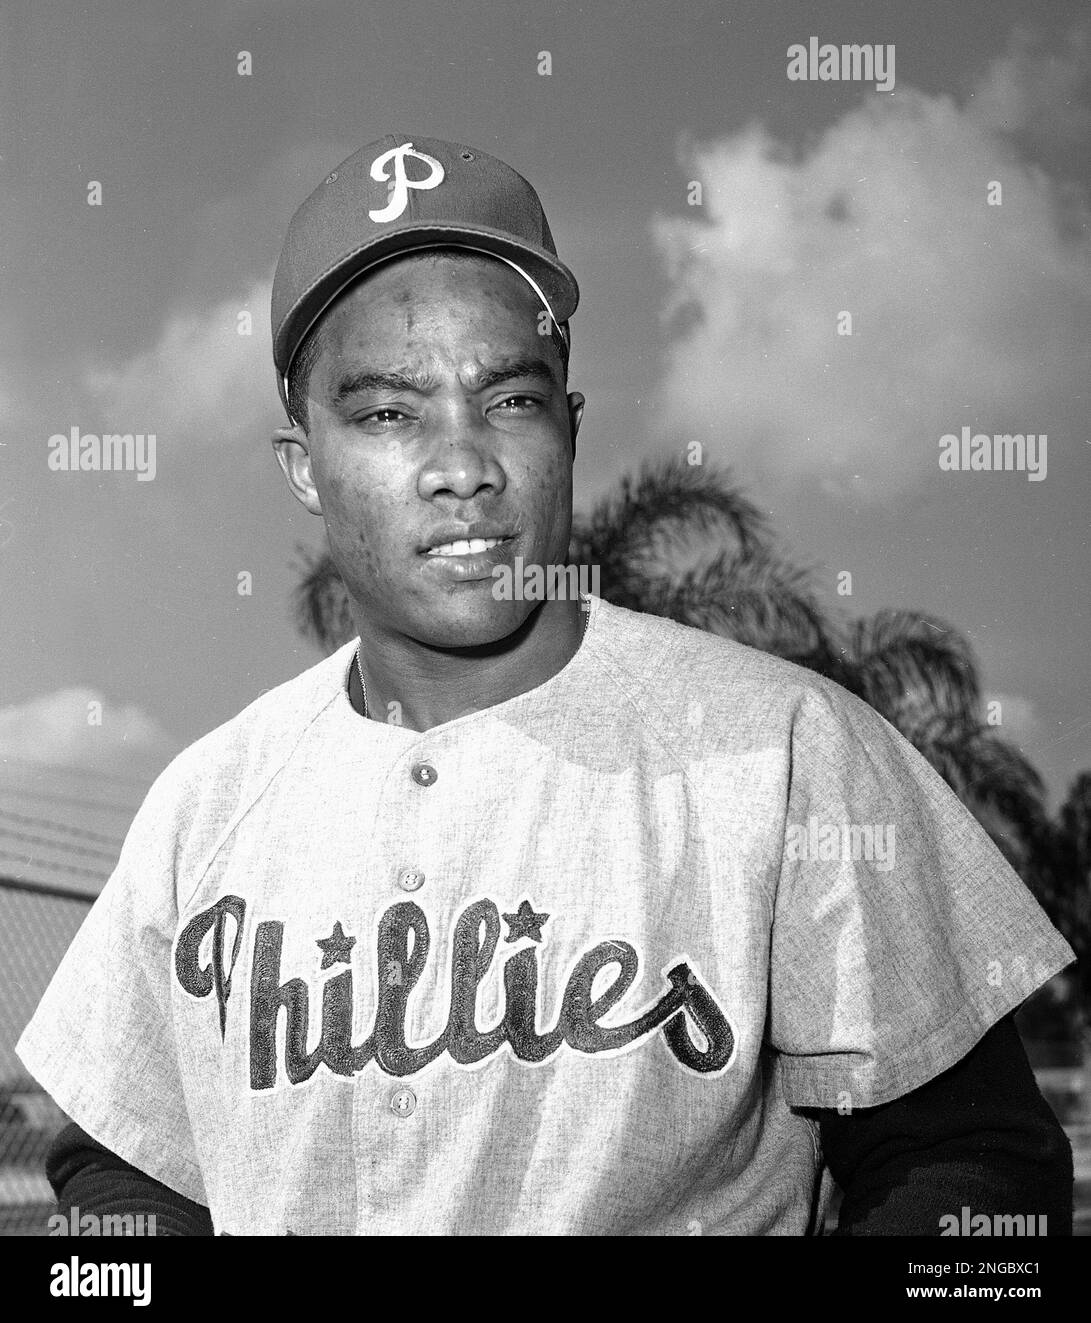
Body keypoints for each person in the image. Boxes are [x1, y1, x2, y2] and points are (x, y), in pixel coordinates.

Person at [19, 136, 1075, 1236]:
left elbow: (968, 1167)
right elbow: (121, 1166)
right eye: (388, 413)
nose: (461, 463)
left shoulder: (784, 749)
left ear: (569, 424)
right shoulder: (207, 804)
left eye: (509, 400)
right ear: (303, 465)